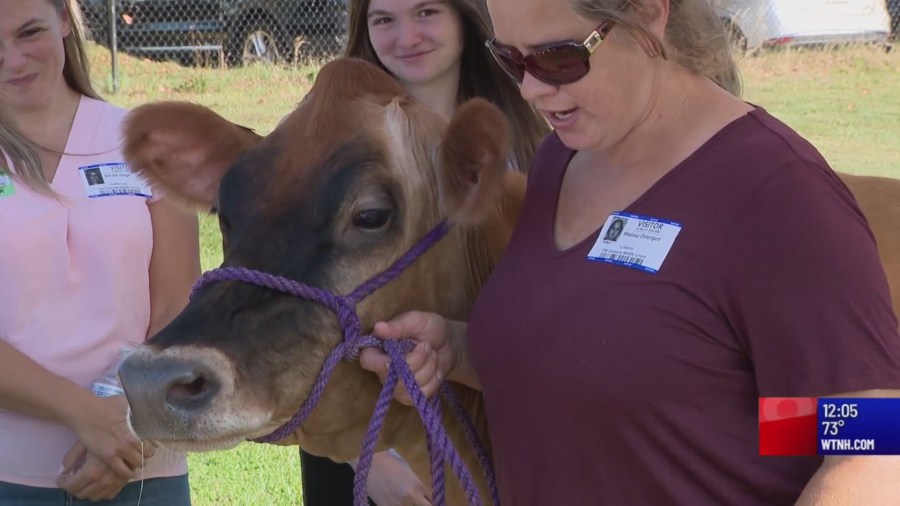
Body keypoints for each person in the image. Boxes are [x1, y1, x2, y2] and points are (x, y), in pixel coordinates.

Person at [359, 0, 900, 504]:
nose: (529, 90)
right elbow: (636, 376)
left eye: (557, 58)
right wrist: (456, 349)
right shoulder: (562, 160)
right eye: (509, 58)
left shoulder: (776, 194)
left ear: (648, 14)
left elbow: (872, 450)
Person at [299, 0, 550, 504]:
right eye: (384, 20)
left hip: (504, 419)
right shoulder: (320, 144)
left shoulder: (537, 135)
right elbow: (300, 317)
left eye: (426, 12)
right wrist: (370, 463)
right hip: (372, 443)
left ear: (466, 16)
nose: (406, 37)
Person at [0, 0, 200, 504]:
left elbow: (180, 307)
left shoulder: (149, 143)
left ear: (65, 20)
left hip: (141, 466)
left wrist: (130, 424)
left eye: (28, 33)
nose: (13, 59)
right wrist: (87, 414)